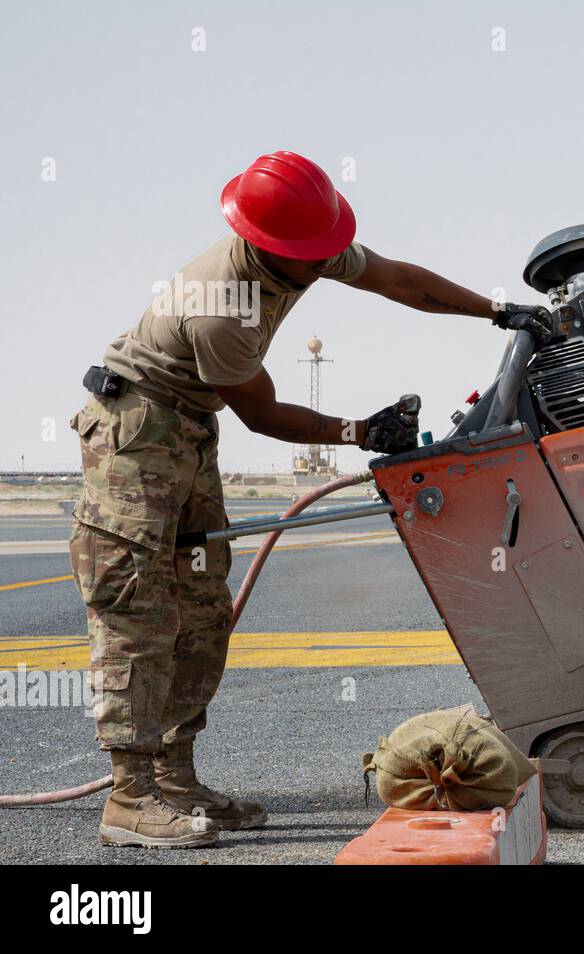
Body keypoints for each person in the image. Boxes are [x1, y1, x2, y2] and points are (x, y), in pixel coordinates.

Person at [71, 151, 551, 847]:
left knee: (202, 611)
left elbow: (397, 279)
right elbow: (263, 417)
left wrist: (500, 310)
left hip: (188, 429)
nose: (332, 259)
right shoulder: (220, 306)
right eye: (316, 252)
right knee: (138, 610)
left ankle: (174, 779)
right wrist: (357, 430)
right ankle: (130, 797)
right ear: (272, 250)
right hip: (136, 433)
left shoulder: (306, 247)